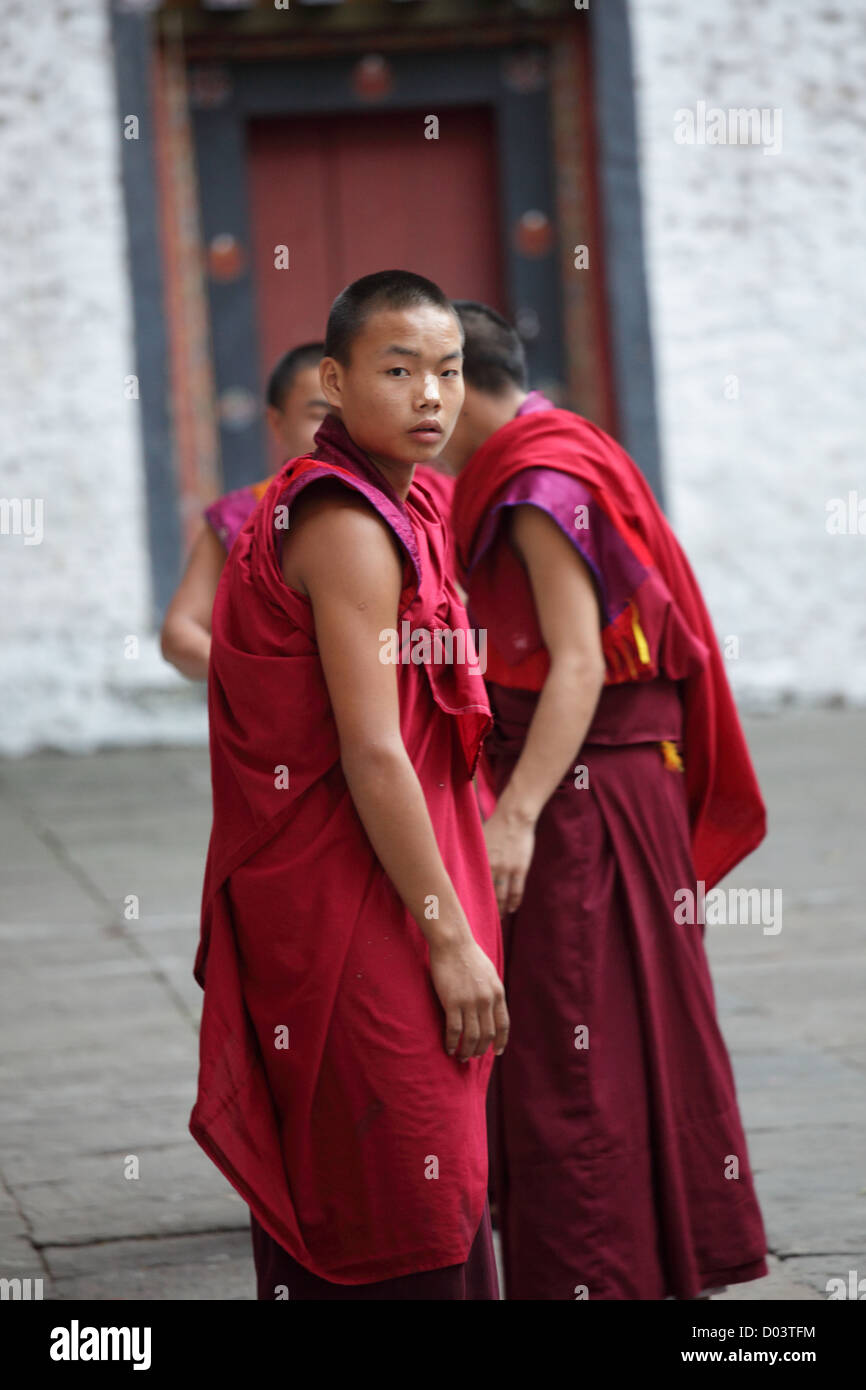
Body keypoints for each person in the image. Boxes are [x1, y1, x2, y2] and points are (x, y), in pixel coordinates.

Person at [440, 300, 769, 1301]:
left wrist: (516, 811)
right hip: (616, 784)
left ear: (459, 382)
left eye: (426, 376)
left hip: (581, 790)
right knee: (616, 1035)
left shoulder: (541, 484)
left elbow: (577, 661)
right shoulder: (565, 445)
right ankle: (650, 1263)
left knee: (569, 1049)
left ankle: (593, 1277)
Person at [190, 271, 508, 1300]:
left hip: (393, 865)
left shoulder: (406, 501)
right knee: (396, 1152)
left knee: (419, 1148)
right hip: (356, 890)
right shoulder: (345, 523)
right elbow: (374, 750)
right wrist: (446, 933)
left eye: (448, 371)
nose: (431, 395)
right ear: (333, 379)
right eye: (399, 369)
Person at [160, 343, 329, 680]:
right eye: (319, 415)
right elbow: (180, 631)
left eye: (351, 416)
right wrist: (256, 677)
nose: (337, 432)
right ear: (277, 423)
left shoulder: (409, 504)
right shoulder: (243, 514)